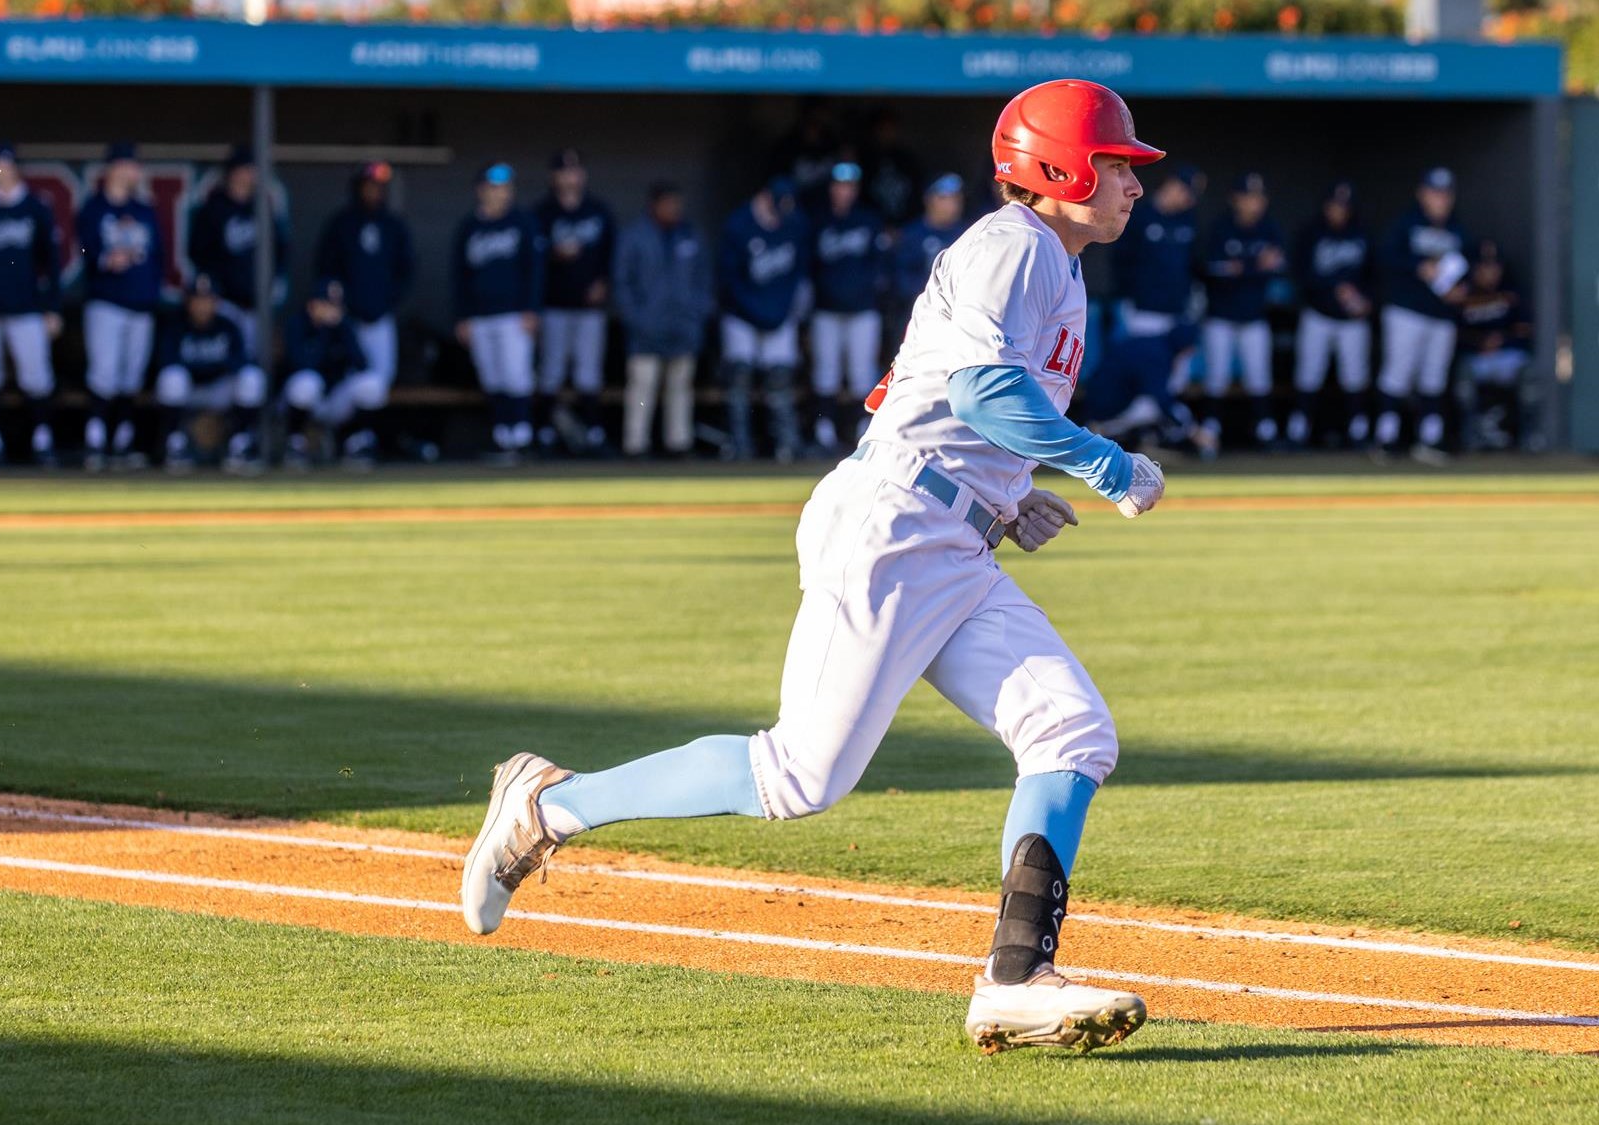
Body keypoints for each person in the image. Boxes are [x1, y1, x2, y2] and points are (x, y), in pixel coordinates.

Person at [459, 78, 1168, 1056]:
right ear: (1062, 168)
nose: (1134, 184)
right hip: (889, 530)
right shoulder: (1015, 246)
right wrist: (1102, 463)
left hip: (942, 537)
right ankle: (548, 806)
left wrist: (1004, 499)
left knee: (1071, 731)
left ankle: (1013, 978)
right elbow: (979, 392)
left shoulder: (1049, 260)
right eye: (1120, 165)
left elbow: (934, 398)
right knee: (796, 775)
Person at [0, 139, 61, 468]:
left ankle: (42, 439)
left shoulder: (35, 208)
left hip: (27, 307)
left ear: (8, 166)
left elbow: (53, 262)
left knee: (36, 377)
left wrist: (52, 307)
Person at [78, 141, 164, 471]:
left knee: (131, 376)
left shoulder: (143, 210)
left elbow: (157, 256)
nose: (132, 171)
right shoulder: (94, 208)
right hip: (106, 302)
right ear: (113, 168)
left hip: (140, 303)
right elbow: (81, 250)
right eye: (127, 165)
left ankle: (122, 440)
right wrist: (102, 259)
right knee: (104, 372)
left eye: (134, 166)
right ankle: (95, 440)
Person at [452, 162, 545, 463]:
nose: (500, 194)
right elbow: (458, 276)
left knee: (516, 375)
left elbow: (535, 271)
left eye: (505, 188)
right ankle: (502, 436)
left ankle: (521, 436)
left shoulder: (523, 222)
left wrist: (532, 309)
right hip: (480, 315)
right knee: (492, 378)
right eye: (494, 188)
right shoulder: (470, 226)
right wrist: (461, 316)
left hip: (513, 314)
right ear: (481, 190)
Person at [612, 181, 710, 459]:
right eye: (668, 203)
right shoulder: (635, 236)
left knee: (680, 388)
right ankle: (636, 446)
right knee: (643, 388)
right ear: (654, 205)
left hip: (682, 326)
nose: (673, 209)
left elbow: (704, 281)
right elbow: (622, 283)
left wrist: (695, 316)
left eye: (676, 203)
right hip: (646, 328)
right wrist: (636, 318)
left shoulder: (690, 234)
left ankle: (678, 445)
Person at [1377, 166, 1468, 463]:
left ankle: (1430, 440)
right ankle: (1386, 438)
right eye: (1434, 193)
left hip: (1441, 314)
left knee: (1434, 378)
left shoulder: (1456, 230)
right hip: (1407, 310)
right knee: (1397, 374)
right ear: (1422, 194)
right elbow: (1385, 258)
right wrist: (1418, 265)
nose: (1440, 199)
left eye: (1445, 194)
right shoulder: (1406, 224)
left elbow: (1468, 269)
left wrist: (1460, 290)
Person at [718, 176, 809, 462]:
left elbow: (799, 276)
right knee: (739, 378)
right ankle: (739, 444)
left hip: (779, 314)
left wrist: (784, 313)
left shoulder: (794, 224)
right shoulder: (739, 224)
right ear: (766, 198)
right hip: (742, 315)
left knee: (780, 381)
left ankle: (786, 445)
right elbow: (728, 280)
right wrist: (756, 311)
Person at [314, 161, 413, 421]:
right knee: (345, 376)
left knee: (379, 380)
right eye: (369, 186)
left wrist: (388, 301)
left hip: (380, 317)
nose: (374, 192)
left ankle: (363, 436)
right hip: (346, 318)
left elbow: (406, 270)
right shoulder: (341, 224)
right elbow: (325, 269)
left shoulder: (393, 225)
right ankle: (339, 431)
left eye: (379, 187)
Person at [1197, 171, 1287, 452]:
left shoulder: (1270, 228)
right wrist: (1254, 266)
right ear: (1235, 198)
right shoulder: (1220, 228)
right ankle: (1211, 432)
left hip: (1254, 316)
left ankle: (1265, 431)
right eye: (1248, 197)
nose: (1254, 203)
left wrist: (1241, 268)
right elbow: (1209, 269)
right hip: (1220, 316)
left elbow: (1279, 265)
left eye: (1258, 197)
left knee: (1259, 376)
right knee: (1217, 377)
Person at [533, 148, 615, 455]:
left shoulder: (597, 210)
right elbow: (533, 259)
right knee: (551, 372)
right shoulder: (543, 213)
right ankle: (545, 434)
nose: (570, 176)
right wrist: (554, 254)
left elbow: (611, 256)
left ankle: (593, 432)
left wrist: (603, 283)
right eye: (564, 171)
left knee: (589, 372)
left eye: (575, 170)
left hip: (589, 308)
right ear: (554, 177)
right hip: (554, 305)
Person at [806, 161, 888, 452]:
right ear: (832, 188)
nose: (844, 191)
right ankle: (823, 430)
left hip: (862, 310)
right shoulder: (818, 221)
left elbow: (880, 268)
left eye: (849, 186)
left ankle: (862, 429)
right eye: (839, 185)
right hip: (826, 310)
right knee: (825, 371)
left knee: (861, 373)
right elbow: (809, 267)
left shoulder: (868, 220)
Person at [1290, 180, 1373, 448]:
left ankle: (1358, 430)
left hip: (1352, 319)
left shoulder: (1362, 234)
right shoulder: (1311, 233)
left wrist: (1365, 299)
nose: (1339, 211)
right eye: (1335, 205)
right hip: (1318, 314)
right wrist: (1333, 288)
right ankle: (1298, 430)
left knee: (1355, 376)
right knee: (1308, 373)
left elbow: (1375, 275)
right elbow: (1299, 274)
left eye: (1344, 206)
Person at [154, 272, 263, 475]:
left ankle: (241, 444)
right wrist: (211, 366)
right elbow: (167, 361)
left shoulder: (227, 325)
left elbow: (240, 362)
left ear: (217, 302)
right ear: (189, 302)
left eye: (208, 300)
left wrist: (210, 368)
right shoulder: (176, 324)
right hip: (190, 390)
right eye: (198, 299)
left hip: (218, 389)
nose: (203, 305)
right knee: (172, 378)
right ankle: (175, 444)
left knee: (252, 378)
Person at [189, 144, 287, 355]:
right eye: (247, 169)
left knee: (255, 364)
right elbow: (198, 251)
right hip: (224, 302)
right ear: (234, 172)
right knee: (226, 358)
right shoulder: (214, 209)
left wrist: (273, 280)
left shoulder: (262, 207)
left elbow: (279, 248)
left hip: (256, 302)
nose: (252, 175)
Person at [1111, 162, 1200, 360]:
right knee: (1142, 367)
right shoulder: (1141, 216)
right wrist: (1131, 295)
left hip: (1177, 311)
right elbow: (1121, 259)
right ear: (1173, 185)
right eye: (1187, 192)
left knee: (1175, 377)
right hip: (1143, 311)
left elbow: (1194, 263)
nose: (1190, 200)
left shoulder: (1188, 220)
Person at [280, 278, 371, 470]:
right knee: (307, 383)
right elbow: (299, 363)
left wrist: (341, 330)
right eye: (326, 304)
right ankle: (296, 441)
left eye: (336, 305)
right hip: (306, 401)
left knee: (370, 385)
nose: (332, 310)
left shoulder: (344, 327)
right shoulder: (297, 325)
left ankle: (354, 441)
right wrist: (324, 335)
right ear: (312, 305)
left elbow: (362, 363)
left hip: (336, 398)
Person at [1456, 239, 1532, 452]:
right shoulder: (1464, 293)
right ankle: (1469, 434)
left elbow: (1525, 329)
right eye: (1484, 267)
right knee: (1464, 377)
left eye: (1494, 267)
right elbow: (1455, 333)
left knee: (1529, 372)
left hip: (1506, 355)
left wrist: (1502, 340)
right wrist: (1480, 342)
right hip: (1476, 358)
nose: (1490, 272)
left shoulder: (1511, 292)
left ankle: (1531, 434)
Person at [1080, 322, 1202, 451]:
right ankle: (1103, 429)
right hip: (1105, 402)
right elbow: (1161, 399)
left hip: (1101, 393)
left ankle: (1114, 434)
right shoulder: (1159, 354)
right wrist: (1192, 430)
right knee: (1152, 408)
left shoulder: (1156, 345)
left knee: (1159, 407)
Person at [891, 174, 968, 322]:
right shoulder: (912, 234)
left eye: (957, 198)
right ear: (929, 199)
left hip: (955, 316)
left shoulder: (967, 234)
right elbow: (901, 277)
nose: (953, 204)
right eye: (945, 198)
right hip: (914, 314)